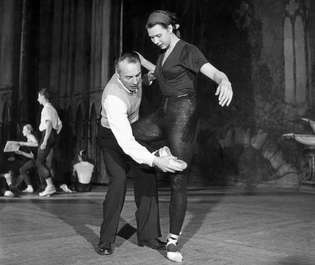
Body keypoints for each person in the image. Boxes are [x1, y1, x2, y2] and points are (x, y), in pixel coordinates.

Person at [135, 10, 233, 262]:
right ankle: (161, 151)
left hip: (183, 112)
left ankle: (172, 242)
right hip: (164, 110)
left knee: (179, 177)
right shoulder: (163, 54)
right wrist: (143, 63)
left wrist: (225, 81)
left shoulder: (188, 50)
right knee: (131, 133)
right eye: (152, 37)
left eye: (158, 35)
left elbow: (213, 72)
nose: (155, 40)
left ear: (172, 28)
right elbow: (159, 72)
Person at [96, 52, 186, 256]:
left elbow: (157, 73)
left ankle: (149, 235)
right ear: (117, 75)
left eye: (138, 75)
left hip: (133, 129)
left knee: (146, 176)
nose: (135, 80)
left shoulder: (137, 77)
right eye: (129, 77)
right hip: (111, 136)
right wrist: (155, 160)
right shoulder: (113, 97)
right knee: (118, 180)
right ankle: (106, 240)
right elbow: (126, 143)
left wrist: (145, 65)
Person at [36, 88, 63, 197]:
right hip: (53, 136)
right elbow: (60, 125)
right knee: (44, 162)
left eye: (38, 97)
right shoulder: (53, 109)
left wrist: (45, 141)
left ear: (43, 97)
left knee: (39, 162)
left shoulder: (46, 109)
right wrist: (54, 136)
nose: (38, 99)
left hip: (47, 135)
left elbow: (48, 125)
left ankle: (50, 186)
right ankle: (48, 186)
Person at [14, 124, 39, 193]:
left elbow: (36, 144)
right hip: (35, 159)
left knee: (22, 169)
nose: (22, 131)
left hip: (38, 160)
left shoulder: (31, 136)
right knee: (22, 169)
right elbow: (32, 156)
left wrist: (23, 143)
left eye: (24, 129)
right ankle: (29, 187)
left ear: (29, 131)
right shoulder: (28, 139)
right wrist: (21, 153)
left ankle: (30, 187)